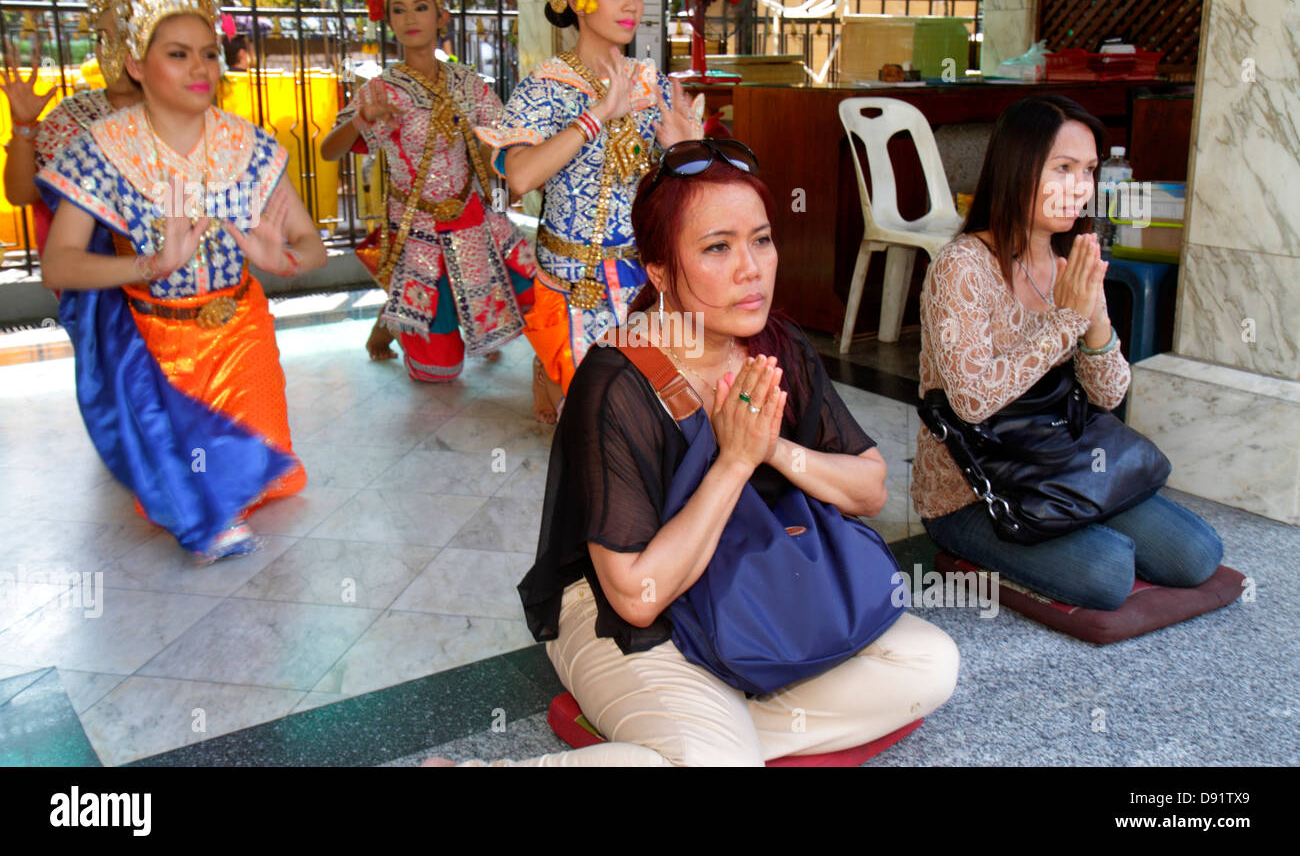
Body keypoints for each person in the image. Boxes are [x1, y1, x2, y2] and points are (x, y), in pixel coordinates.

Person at [436, 141, 959, 766]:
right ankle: (701, 738)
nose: (752, 268)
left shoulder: (778, 343)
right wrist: (734, 462)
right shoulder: (616, 381)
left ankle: (704, 732)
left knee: (930, 664)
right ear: (658, 272)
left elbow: (869, 488)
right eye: (718, 247)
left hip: (745, 577)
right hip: (619, 615)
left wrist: (772, 451)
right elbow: (637, 594)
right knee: (716, 759)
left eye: (761, 240)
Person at [35, 0, 327, 564]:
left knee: (268, 478)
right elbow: (59, 267)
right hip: (158, 340)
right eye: (178, 54)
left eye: (209, 54)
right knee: (195, 493)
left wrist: (278, 260)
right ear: (137, 65)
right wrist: (146, 265)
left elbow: (313, 249)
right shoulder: (102, 149)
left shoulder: (247, 146)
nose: (201, 68)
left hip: (241, 329)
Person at [912, 94, 1223, 610]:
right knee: (1108, 573)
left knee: (1196, 555)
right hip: (971, 491)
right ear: (1018, 166)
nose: (1079, 188)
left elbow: (1108, 393)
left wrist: (1095, 319)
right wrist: (1068, 320)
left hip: (1055, 467)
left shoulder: (1065, 265)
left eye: (1088, 170)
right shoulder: (961, 266)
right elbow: (972, 401)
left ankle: (1077, 521)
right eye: (1062, 168)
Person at [476, 0, 701, 422]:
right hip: (573, 283)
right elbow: (517, 179)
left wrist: (682, 150)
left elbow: (686, 191)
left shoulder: (651, 86)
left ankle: (554, 373)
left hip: (642, 283)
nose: (630, 6)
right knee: (602, 430)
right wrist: (597, 115)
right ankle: (552, 364)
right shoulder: (548, 85)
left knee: (669, 421)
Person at [321, 0, 536, 382]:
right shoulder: (381, 89)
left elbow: (502, 140)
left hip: (475, 218)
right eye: (398, 9)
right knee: (439, 371)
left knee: (536, 297)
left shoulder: (468, 82)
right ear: (387, 17)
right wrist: (363, 119)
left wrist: (509, 173)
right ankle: (393, 324)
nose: (410, 18)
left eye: (420, 7)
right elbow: (329, 150)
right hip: (417, 231)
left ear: (441, 14)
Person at [1, 0, 142, 255]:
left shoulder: (184, 114)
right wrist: (24, 127)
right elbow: (21, 194)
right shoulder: (74, 114)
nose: (111, 54)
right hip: (97, 291)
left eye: (126, 40)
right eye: (103, 40)